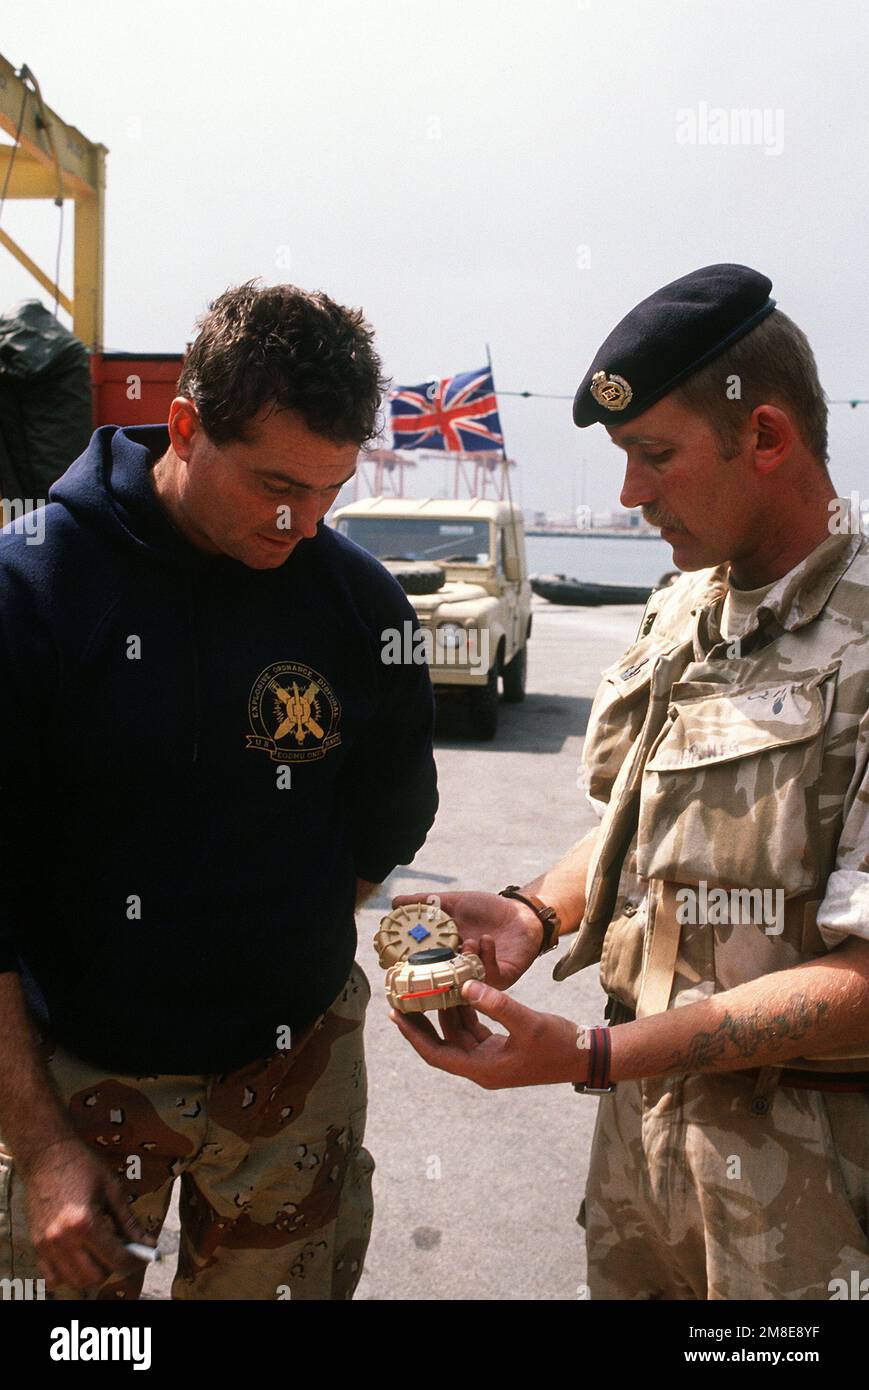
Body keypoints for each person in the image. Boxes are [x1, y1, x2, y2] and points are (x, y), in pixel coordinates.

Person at [391, 264, 869, 1300]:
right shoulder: (684, 608)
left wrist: (593, 1052)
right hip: (643, 1157)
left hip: (815, 1186)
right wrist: (535, 910)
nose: (627, 495)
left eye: (653, 456)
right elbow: (638, 823)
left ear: (766, 438)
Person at [0, 280, 438, 1301]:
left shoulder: (357, 605)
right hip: (73, 1083)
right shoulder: (32, 595)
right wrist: (43, 1148)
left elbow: (384, 827)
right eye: (277, 482)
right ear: (186, 426)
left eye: (331, 489)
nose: (304, 520)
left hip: (291, 1079)